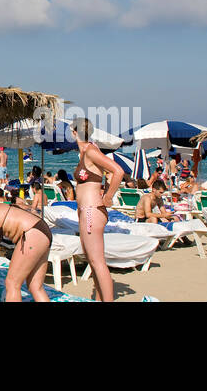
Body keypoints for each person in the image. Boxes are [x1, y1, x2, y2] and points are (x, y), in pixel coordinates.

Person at [73, 117, 122, 302]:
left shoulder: (91, 151)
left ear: (74, 132)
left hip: (91, 210)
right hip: (87, 210)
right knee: (93, 262)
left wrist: (108, 197)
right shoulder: (86, 152)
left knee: (97, 262)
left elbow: (118, 171)